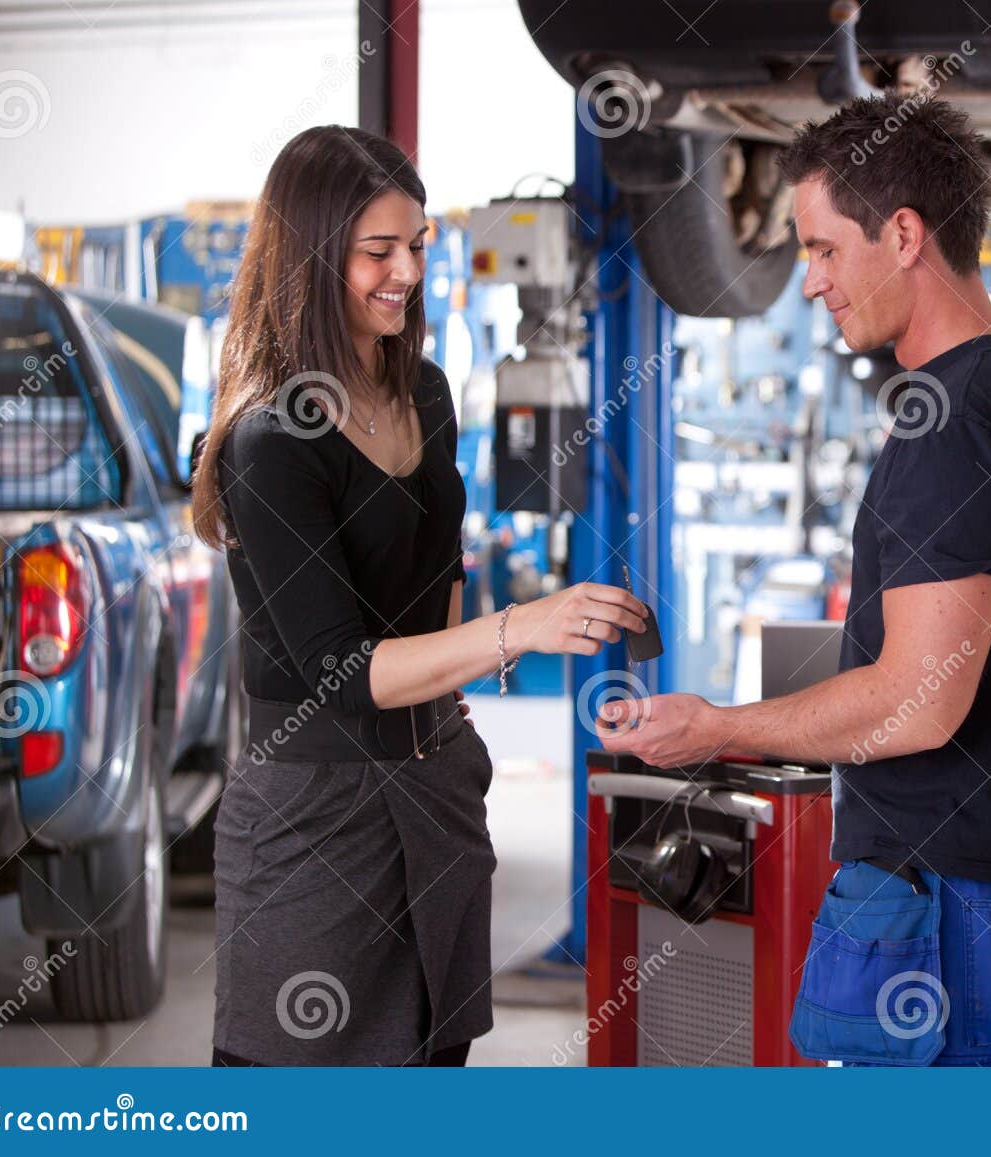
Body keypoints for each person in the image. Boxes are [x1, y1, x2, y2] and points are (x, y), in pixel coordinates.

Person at [597, 96, 991, 1066]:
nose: (808, 283)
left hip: (940, 892)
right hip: (986, 878)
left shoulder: (953, 421)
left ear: (904, 234)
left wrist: (717, 725)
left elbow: (916, 703)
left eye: (825, 250)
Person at [191, 125, 648, 1066]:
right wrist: (525, 625)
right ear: (315, 258)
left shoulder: (426, 393)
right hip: (314, 819)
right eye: (378, 251)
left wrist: (450, 723)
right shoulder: (272, 442)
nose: (407, 270)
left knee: (431, 1064)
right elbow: (341, 672)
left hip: (432, 789)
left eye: (418, 244)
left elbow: (437, 580)